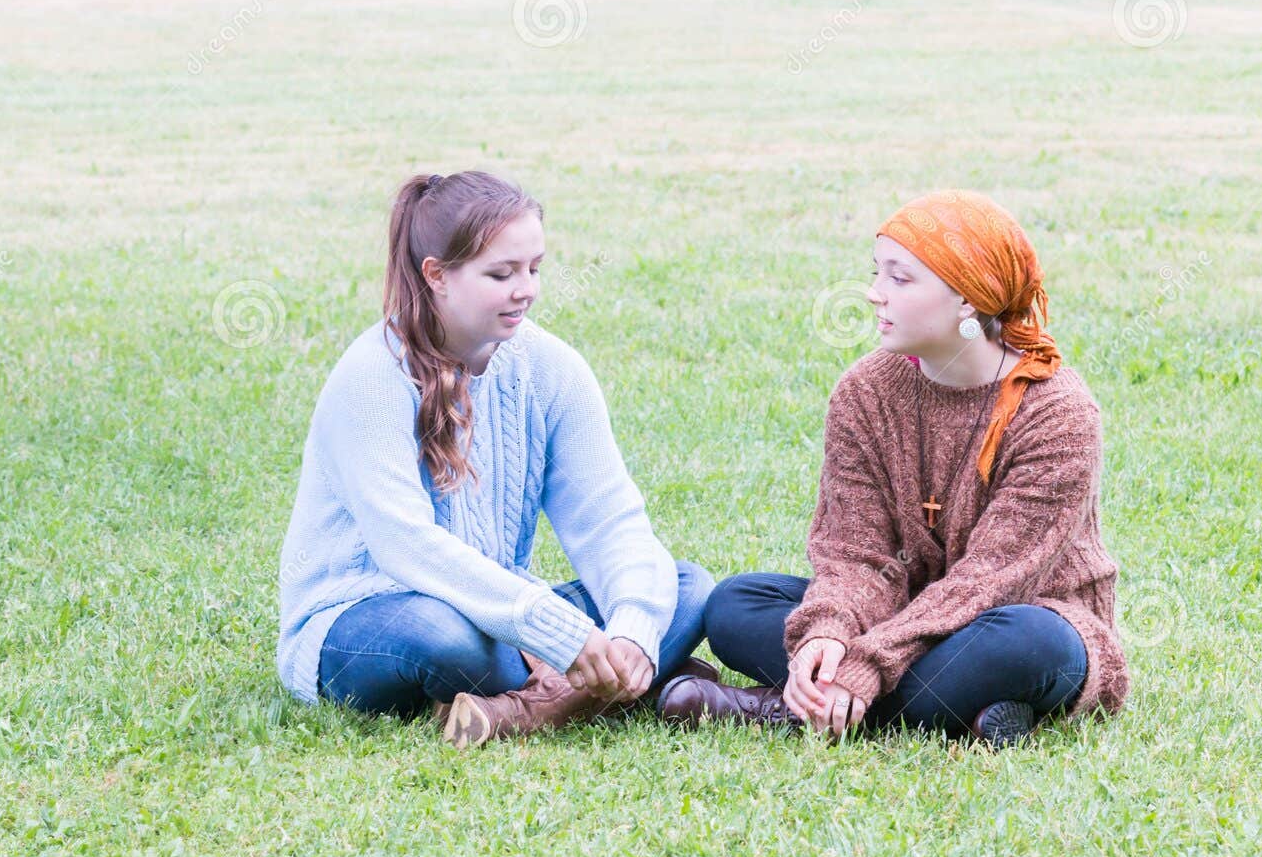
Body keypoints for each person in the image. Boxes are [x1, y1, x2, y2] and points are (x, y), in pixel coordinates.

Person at [665, 189, 1129, 746]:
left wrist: (867, 663)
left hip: (1017, 616)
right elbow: (855, 552)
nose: (873, 294)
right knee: (735, 605)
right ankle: (962, 710)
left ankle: (778, 708)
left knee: (1028, 643)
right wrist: (831, 632)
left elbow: (990, 582)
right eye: (876, 273)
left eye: (899, 279)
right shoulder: (865, 392)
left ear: (967, 300)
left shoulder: (1056, 412)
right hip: (899, 609)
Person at [278, 170, 715, 747]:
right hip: (364, 615)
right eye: (501, 273)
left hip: (498, 611)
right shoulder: (373, 378)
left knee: (684, 588)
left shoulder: (551, 367)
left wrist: (632, 631)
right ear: (437, 276)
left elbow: (610, 519)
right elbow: (406, 547)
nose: (526, 289)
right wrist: (559, 631)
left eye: (534, 267)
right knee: (446, 637)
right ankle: (629, 686)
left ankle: (529, 707)